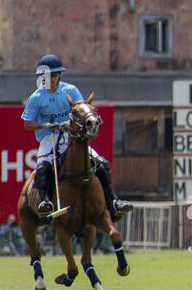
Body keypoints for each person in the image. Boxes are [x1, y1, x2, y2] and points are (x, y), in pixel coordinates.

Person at [21, 54, 130, 222]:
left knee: (101, 163)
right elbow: (28, 123)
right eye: (49, 76)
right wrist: (44, 125)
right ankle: (44, 202)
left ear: (59, 76)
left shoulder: (70, 90)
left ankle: (113, 202)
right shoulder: (36, 98)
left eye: (55, 75)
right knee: (43, 167)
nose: (52, 79)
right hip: (48, 138)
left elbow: (82, 109)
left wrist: (76, 122)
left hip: (70, 135)